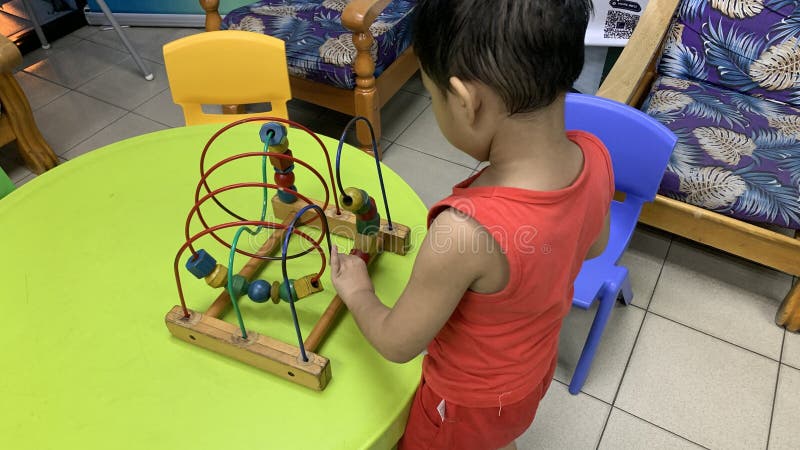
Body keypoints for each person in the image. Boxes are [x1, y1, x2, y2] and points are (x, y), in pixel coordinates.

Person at [330, 1, 610, 449]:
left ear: (464, 100)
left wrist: (359, 291)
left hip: (462, 407)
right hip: (532, 373)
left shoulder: (464, 231)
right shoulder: (594, 156)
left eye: (432, 95)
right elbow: (593, 245)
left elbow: (398, 344)